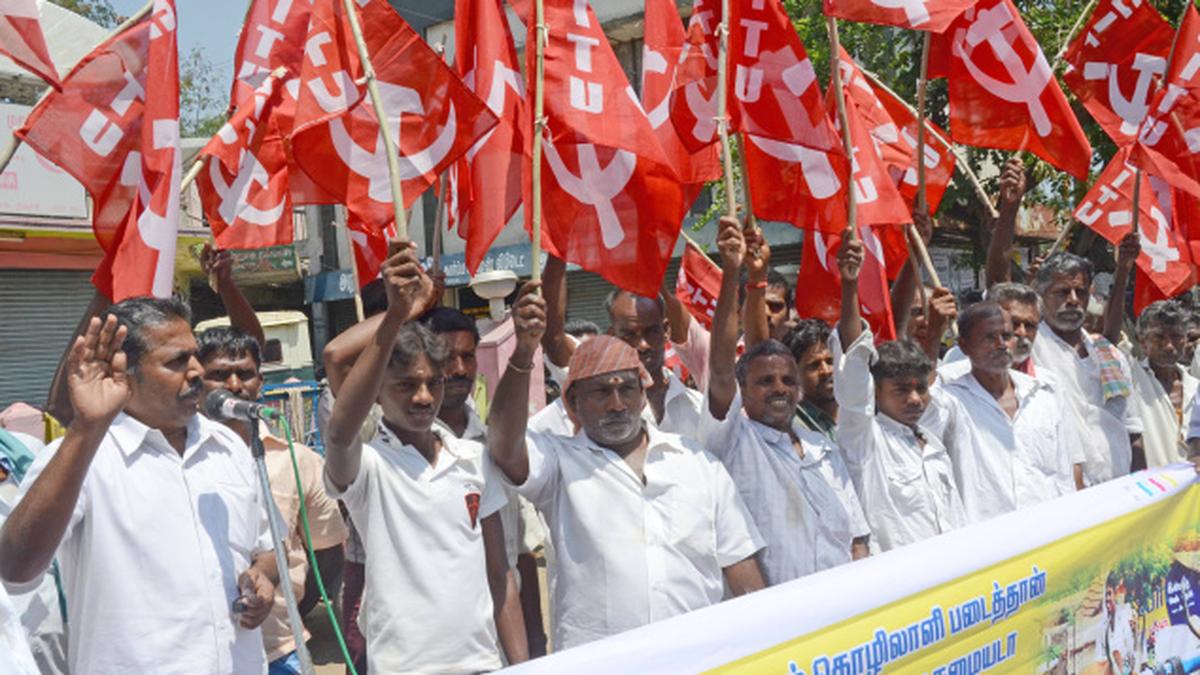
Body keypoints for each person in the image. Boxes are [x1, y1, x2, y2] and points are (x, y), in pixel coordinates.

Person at [0, 297, 278, 675]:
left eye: (195, 356)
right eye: (177, 361)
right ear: (125, 373)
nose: (197, 371)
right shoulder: (82, 456)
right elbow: (14, 567)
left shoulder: (228, 446)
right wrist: (84, 429)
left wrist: (262, 580)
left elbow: (266, 549)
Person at [488, 278, 766, 649]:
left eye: (626, 390)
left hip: (700, 657)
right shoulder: (558, 464)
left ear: (642, 392)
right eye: (602, 392)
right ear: (573, 401)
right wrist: (524, 354)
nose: (617, 404)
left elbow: (742, 569)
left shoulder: (698, 463)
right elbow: (503, 446)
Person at [323, 240, 521, 673]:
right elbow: (338, 421)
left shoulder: (472, 458)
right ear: (376, 393)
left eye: (433, 382)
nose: (424, 397)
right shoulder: (368, 467)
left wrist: (523, 667)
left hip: (480, 663)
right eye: (405, 385)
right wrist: (398, 313)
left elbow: (500, 574)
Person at [702, 217, 869, 581]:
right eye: (765, 381)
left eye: (788, 380)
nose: (779, 388)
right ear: (742, 390)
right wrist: (732, 274)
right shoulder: (735, 441)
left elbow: (857, 539)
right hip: (782, 610)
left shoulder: (822, 447)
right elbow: (720, 368)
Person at [197, 326, 349, 675]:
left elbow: (327, 555)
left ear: (261, 382)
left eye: (245, 374)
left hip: (280, 647)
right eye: (219, 375)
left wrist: (291, 605)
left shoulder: (297, 460)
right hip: (204, 654)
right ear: (196, 382)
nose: (234, 385)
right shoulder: (175, 460)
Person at [830, 236, 966, 553]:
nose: (915, 399)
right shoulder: (865, 439)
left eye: (921, 388)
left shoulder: (931, 442)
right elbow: (854, 362)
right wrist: (850, 285)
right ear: (876, 393)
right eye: (901, 390)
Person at [936, 302, 1081, 523]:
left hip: (1050, 529)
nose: (1001, 344)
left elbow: (1063, 474)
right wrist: (933, 335)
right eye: (989, 337)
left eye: (1006, 336)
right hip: (986, 537)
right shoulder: (950, 400)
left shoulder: (1044, 394)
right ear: (964, 346)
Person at [536, 254, 703, 438]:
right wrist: (558, 251)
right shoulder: (592, 384)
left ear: (666, 330)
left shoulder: (698, 407)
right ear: (612, 335)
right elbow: (554, 338)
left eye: (651, 332)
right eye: (629, 335)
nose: (643, 345)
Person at [1031, 249, 1142, 486]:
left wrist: (1143, 489)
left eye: (1080, 292)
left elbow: (1133, 430)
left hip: (1120, 488)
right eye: (1062, 292)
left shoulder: (1109, 353)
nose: (1073, 300)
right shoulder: (1031, 349)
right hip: (1064, 492)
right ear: (1041, 296)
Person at [1123, 301, 1199, 468]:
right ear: (1142, 340)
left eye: (1176, 336)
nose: (1169, 346)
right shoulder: (1131, 379)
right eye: (1159, 337)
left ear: (1185, 338)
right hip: (1151, 483)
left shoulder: (1195, 387)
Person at [785, 319, 837, 440]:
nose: (826, 371)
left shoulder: (861, 410)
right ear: (794, 374)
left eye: (830, 361)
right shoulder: (792, 427)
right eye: (814, 365)